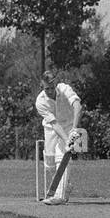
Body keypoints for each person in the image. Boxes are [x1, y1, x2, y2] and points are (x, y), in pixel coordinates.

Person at [35, 70, 82, 204]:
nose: (50, 91)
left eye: (51, 87)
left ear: (55, 84)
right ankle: (66, 185)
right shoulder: (40, 102)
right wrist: (67, 140)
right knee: (49, 164)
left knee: (62, 155)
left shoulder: (64, 89)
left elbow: (78, 106)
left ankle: (59, 196)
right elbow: (54, 124)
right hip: (51, 128)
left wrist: (74, 129)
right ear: (42, 86)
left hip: (69, 125)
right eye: (46, 88)